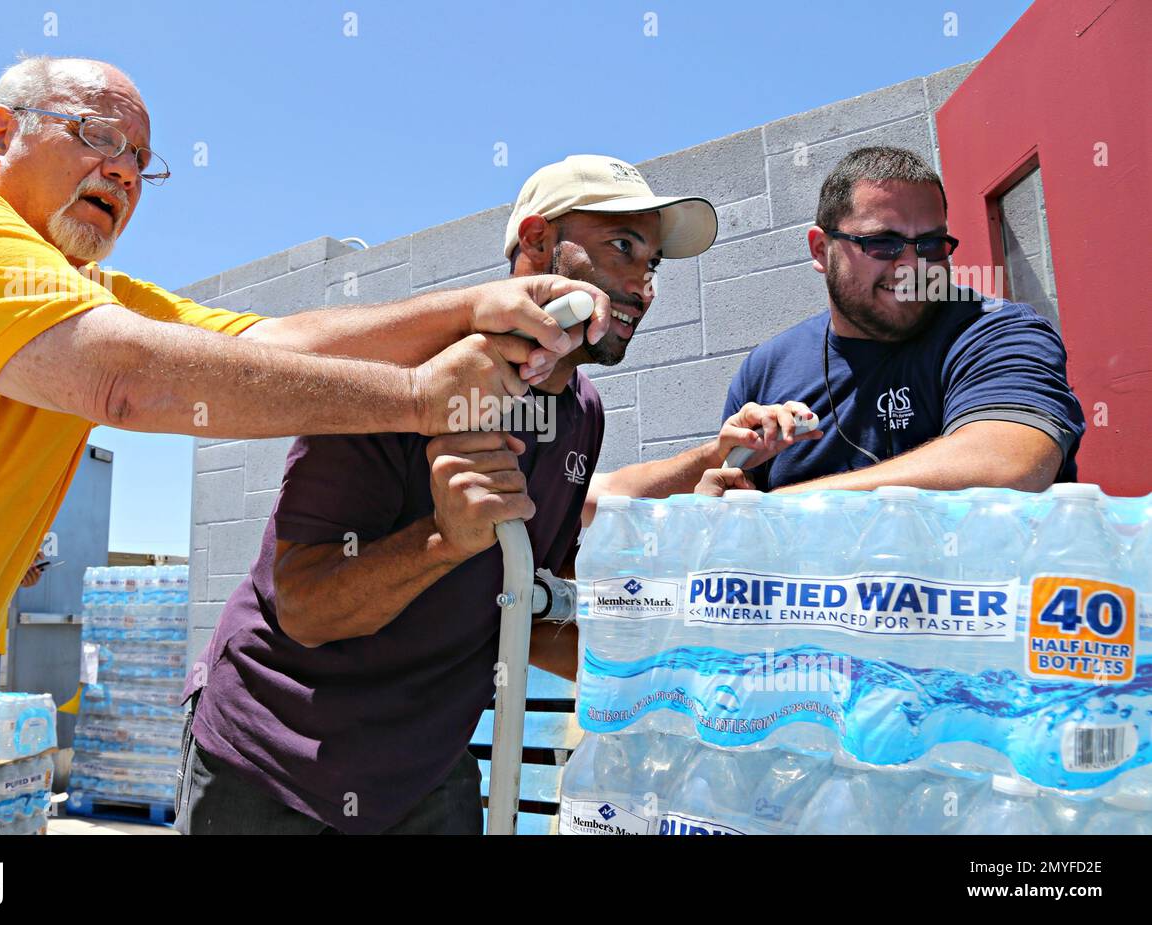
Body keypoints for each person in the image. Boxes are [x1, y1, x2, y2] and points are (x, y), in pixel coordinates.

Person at [0, 56, 607, 835]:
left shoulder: (95, 293)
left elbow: (280, 339)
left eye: (142, 161)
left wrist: (472, 306)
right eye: (98, 134)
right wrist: (419, 397)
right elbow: (124, 378)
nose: (124, 172)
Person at [177, 154, 817, 835]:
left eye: (653, 264)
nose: (643, 284)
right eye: (622, 248)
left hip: (423, 768)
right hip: (276, 761)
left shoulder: (579, 410)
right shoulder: (399, 376)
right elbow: (304, 605)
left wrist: (702, 507)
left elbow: (535, 581)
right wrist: (441, 543)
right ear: (537, 242)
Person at [714, 145, 1085, 494]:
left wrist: (778, 507)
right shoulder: (766, 371)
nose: (912, 266)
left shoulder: (997, 332)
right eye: (882, 243)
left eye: (931, 244)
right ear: (821, 250)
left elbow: (1009, 466)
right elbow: (730, 501)